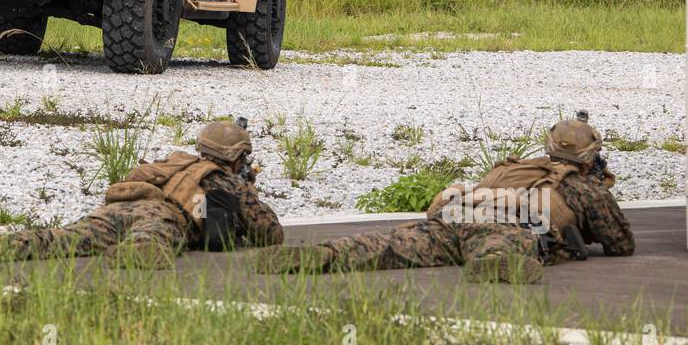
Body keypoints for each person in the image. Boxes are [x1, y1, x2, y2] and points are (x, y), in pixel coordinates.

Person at [252, 111, 634, 283]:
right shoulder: (585, 188)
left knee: (390, 245)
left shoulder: (516, 165)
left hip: (453, 218)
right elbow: (620, 244)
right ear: (591, 156)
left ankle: (330, 254)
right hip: (501, 227)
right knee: (501, 246)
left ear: (549, 145)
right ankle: (495, 265)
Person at [0, 118, 283, 267]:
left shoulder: (175, 161)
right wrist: (247, 191)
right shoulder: (228, 182)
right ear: (238, 156)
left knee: (64, 237)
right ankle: (133, 253)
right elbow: (269, 234)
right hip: (163, 214)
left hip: (120, 207)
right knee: (151, 240)